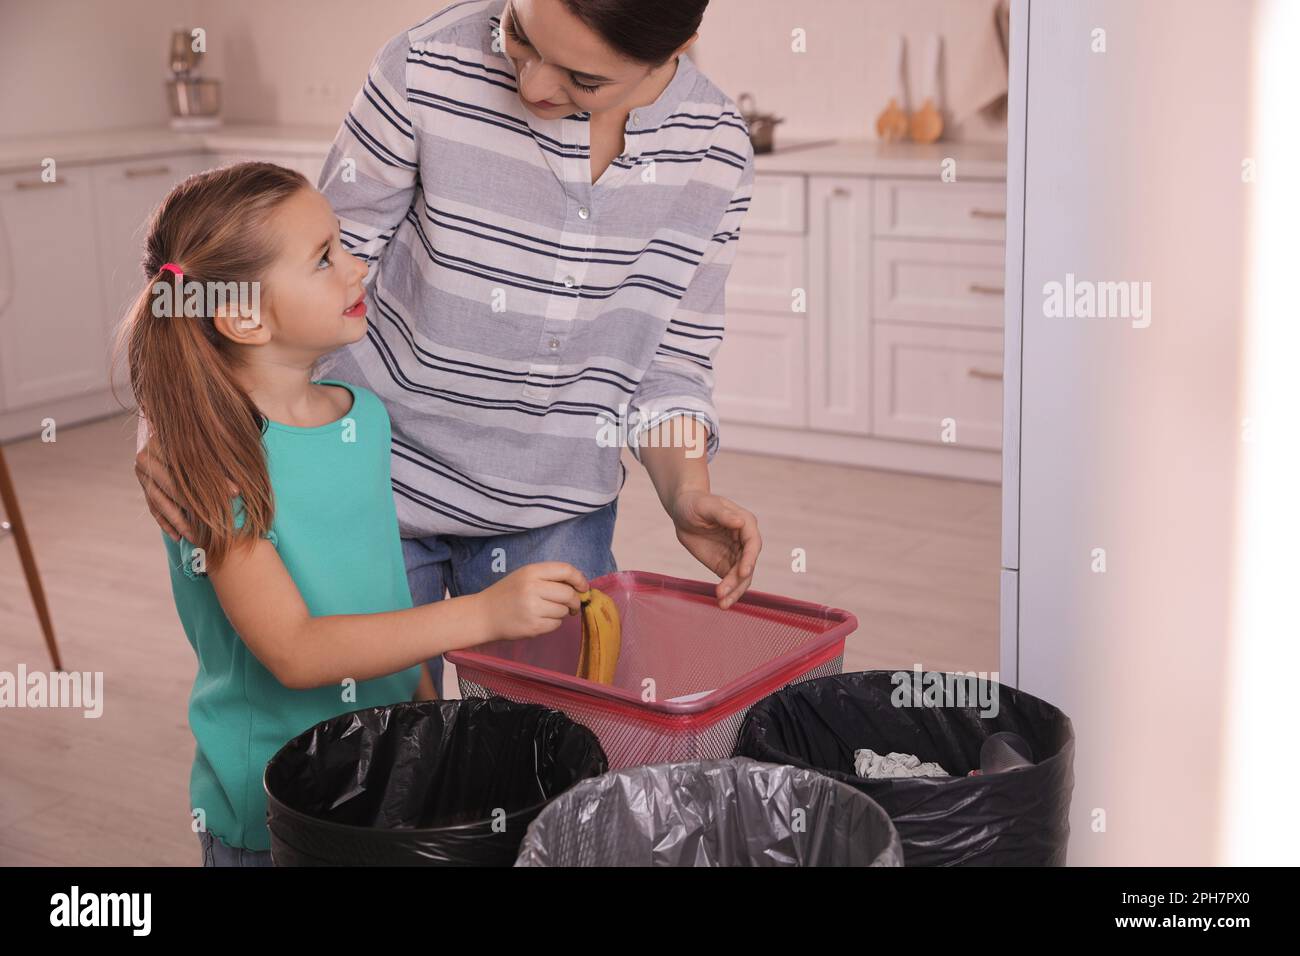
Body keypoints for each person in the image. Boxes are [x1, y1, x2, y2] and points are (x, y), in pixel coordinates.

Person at [121, 162, 588, 865]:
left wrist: (428, 712)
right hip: (271, 814)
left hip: (381, 783)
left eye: (342, 244)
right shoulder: (217, 467)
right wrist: (485, 615)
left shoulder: (359, 418)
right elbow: (296, 651)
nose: (358, 268)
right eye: (324, 258)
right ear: (243, 314)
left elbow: (380, 593)